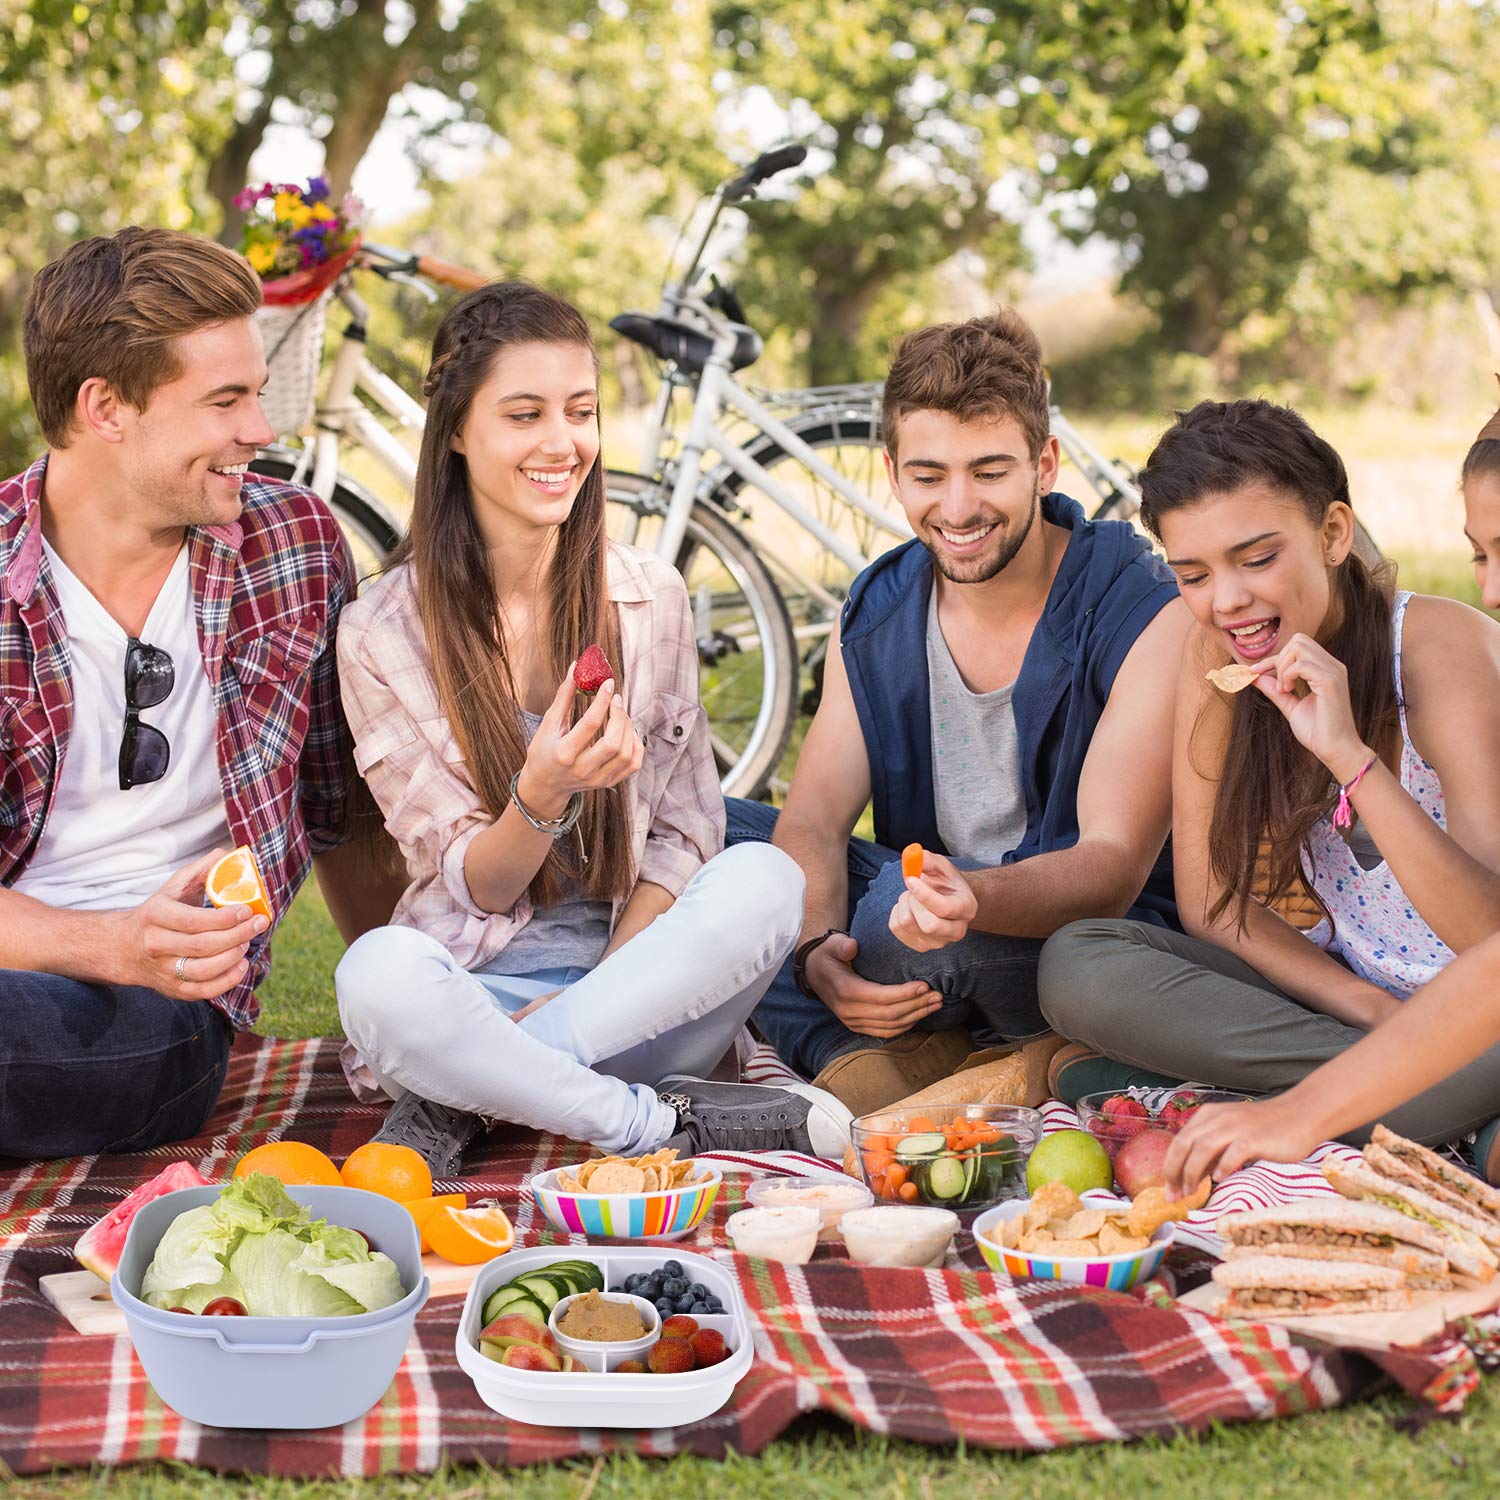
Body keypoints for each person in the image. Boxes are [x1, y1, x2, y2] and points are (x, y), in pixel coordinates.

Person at [333, 280, 850, 1173]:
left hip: (639, 998)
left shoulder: (651, 596)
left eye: (581, 411)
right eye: (524, 414)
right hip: (473, 995)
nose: (560, 443)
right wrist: (542, 795)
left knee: (764, 876)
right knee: (373, 976)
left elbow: (686, 835)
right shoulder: (382, 632)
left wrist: (593, 997)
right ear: (457, 431)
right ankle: (651, 1125)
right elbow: (477, 889)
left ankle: (477, 1098)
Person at [726, 308, 1190, 1111]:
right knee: (707, 837)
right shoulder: (875, 610)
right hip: (925, 908)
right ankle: (881, 1056)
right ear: (892, 470)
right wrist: (810, 954)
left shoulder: (1138, 603)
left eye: (989, 470)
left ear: (1045, 464)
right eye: (930, 475)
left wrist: (966, 901)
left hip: (1071, 937)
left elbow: (1112, 868)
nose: (959, 507)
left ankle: (915, 1046)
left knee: (890, 923)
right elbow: (812, 822)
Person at [0, 228, 390, 1160]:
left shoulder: (291, 543)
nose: (262, 429)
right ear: (106, 407)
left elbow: (346, 813)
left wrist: (415, 1014)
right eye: (226, 400)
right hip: (36, 957)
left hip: (158, 1009)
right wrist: (105, 940)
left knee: (133, 1042)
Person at [1040, 397, 1500, 1170]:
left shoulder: (1438, 649)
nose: (1227, 600)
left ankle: (1231, 1099)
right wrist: (1367, 1008)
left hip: (1481, 1015)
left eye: (1256, 559)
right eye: (1193, 574)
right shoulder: (1217, 658)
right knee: (1080, 963)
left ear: (1331, 533)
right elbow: (1213, 902)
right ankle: (1405, 1103)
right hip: (1356, 997)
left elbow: (1489, 938)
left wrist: (1353, 760)